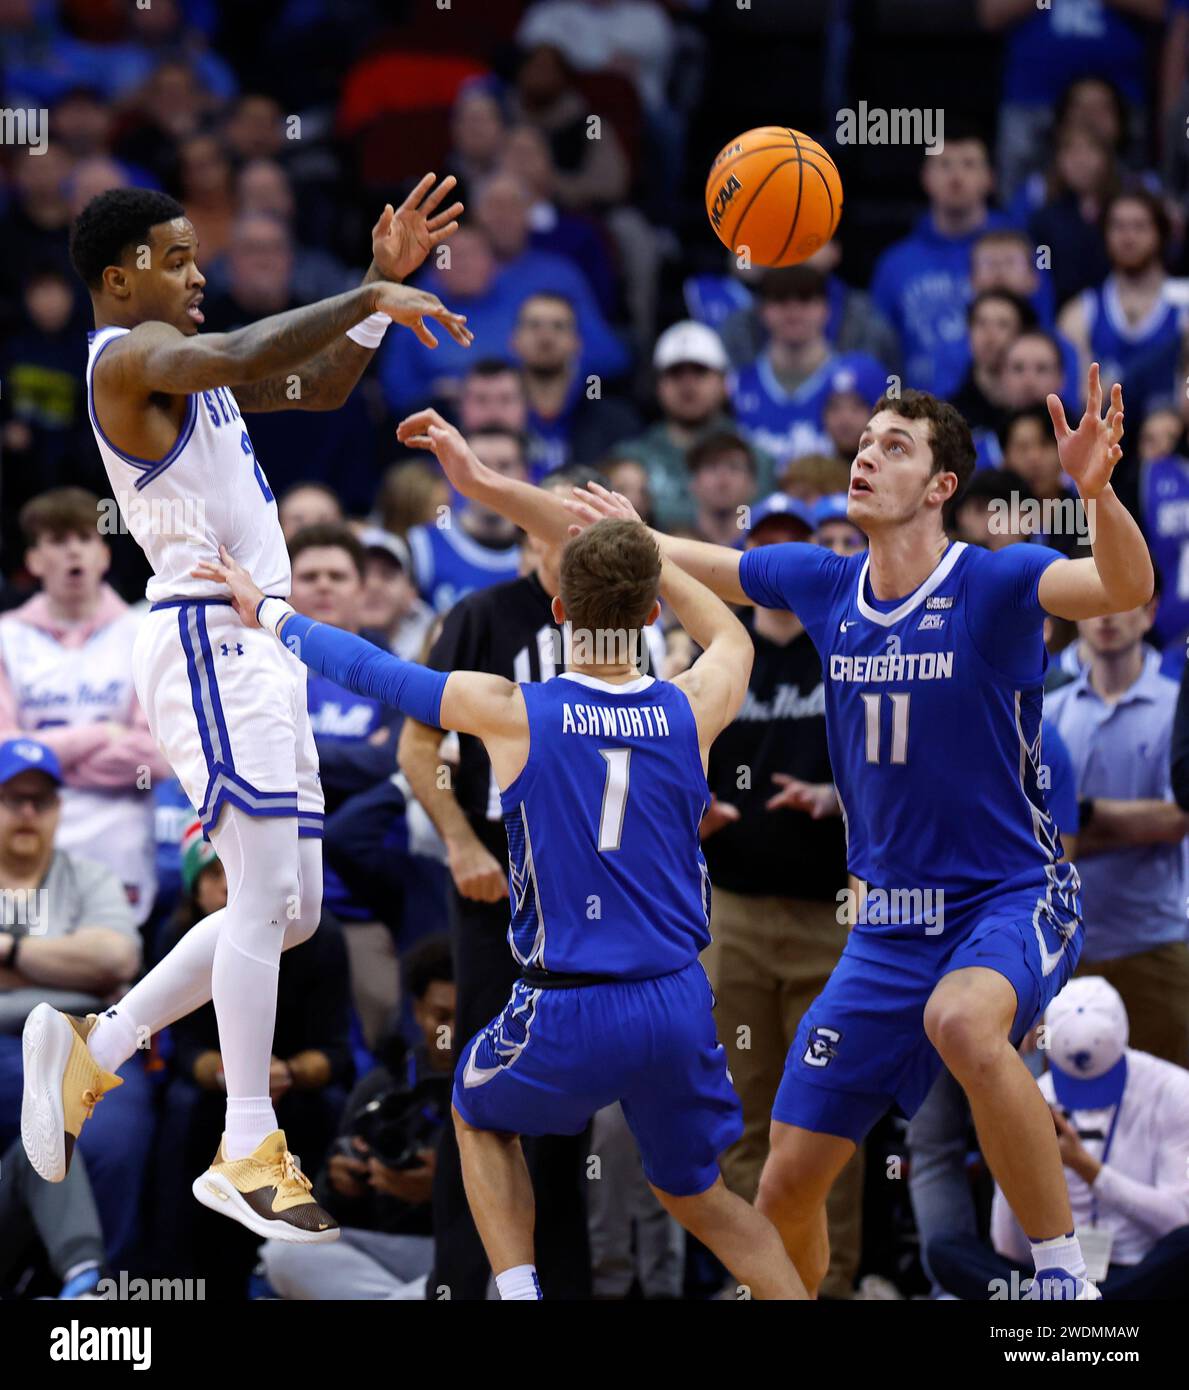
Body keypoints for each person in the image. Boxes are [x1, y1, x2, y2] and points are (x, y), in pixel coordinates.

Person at [444, 361, 1153, 1301]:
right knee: (784, 1182)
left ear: (940, 486)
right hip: (885, 926)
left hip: (1008, 894)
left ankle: (1062, 1278)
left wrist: (1096, 493)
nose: (866, 456)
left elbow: (1121, 584)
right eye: (862, 442)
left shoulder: (996, 580)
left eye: (893, 447)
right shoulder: (822, 583)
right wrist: (483, 483)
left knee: (960, 1022)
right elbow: (635, 545)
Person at [192, 448, 808, 1303]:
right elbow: (733, 635)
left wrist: (268, 611)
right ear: (648, 612)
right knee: (701, 1196)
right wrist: (649, 551)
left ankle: (518, 1295)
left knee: (476, 1116)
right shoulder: (693, 704)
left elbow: (373, 671)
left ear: (557, 611)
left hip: (570, 1001)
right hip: (675, 1000)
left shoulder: (514, 711)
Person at [19, 178, 469, 1242]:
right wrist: (366, 293)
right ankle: (247, 1143)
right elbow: (238, 350)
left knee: (293, 910)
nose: (198, 274)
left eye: (196, 255)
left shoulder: (188, 369)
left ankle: (97, 1046)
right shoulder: (128, 359)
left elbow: (314, 383)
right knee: (264, 894)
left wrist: (375, 292)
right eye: (175, 259)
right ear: (119, 278)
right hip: (205, 637)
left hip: (254, 645)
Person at [929, 977, 1189, 1301]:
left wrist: (1090, 1170)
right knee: (946, 1250)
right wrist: (1018, 1173)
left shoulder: (1174, 1089)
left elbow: (1178, 1220)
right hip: (1057, 1275)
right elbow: (1009, 1249)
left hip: (1138, 1269)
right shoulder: (1037, 1093)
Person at [0, 739, 146, 1262]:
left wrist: (12, 952)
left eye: (40, 801)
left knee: (113, 1138)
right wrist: (66, 959)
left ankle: (95, 1285)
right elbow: (93, 961)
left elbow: (117, 958)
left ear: (59, 810)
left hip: (82, 1043)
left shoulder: (89, 877)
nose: (28, 813)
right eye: (13, 799)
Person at [0, 488, 170, 925]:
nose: (73, 550)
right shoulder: (6, 639)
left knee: (111, 957)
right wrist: (101, 735)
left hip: (119, 840)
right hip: (24, 838)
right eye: (58, 540)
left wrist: (39, 755)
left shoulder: (145, 633)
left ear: (104, 555)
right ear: (34, 560)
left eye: (84, 538)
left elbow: (156, 755)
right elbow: (2, 753)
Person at [260, 936, 457, 1301]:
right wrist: (340, 1186)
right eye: (441, 1017)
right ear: (417, 1011)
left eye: (465, 1016)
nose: (452, 1032)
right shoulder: (382, 1085)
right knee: (282, 1253)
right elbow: (324, 1208)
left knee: (500, 1271)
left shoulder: (503, 1088)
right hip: (381, 1254)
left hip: (464, 1250)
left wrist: (445, 1188)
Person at [1047, 601, 1189, 1068]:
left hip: (1155, 944)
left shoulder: (1177, 706)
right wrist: (1132, 826)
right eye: (1094, 605)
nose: (1105, 617)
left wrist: (1077, 817)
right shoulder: (1047, 710)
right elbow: (1035, 837)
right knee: (1065, 1101)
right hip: (1065, 951)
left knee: (1173, 1100)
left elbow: (1176, 821)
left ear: (1149, 614)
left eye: (1121, 605)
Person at [405, 428, 529, 613]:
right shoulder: (423, 545)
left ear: (524, 474)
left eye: (505, 465)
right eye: (479, 464)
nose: (491, 477)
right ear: (458, 472)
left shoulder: (544, 550)